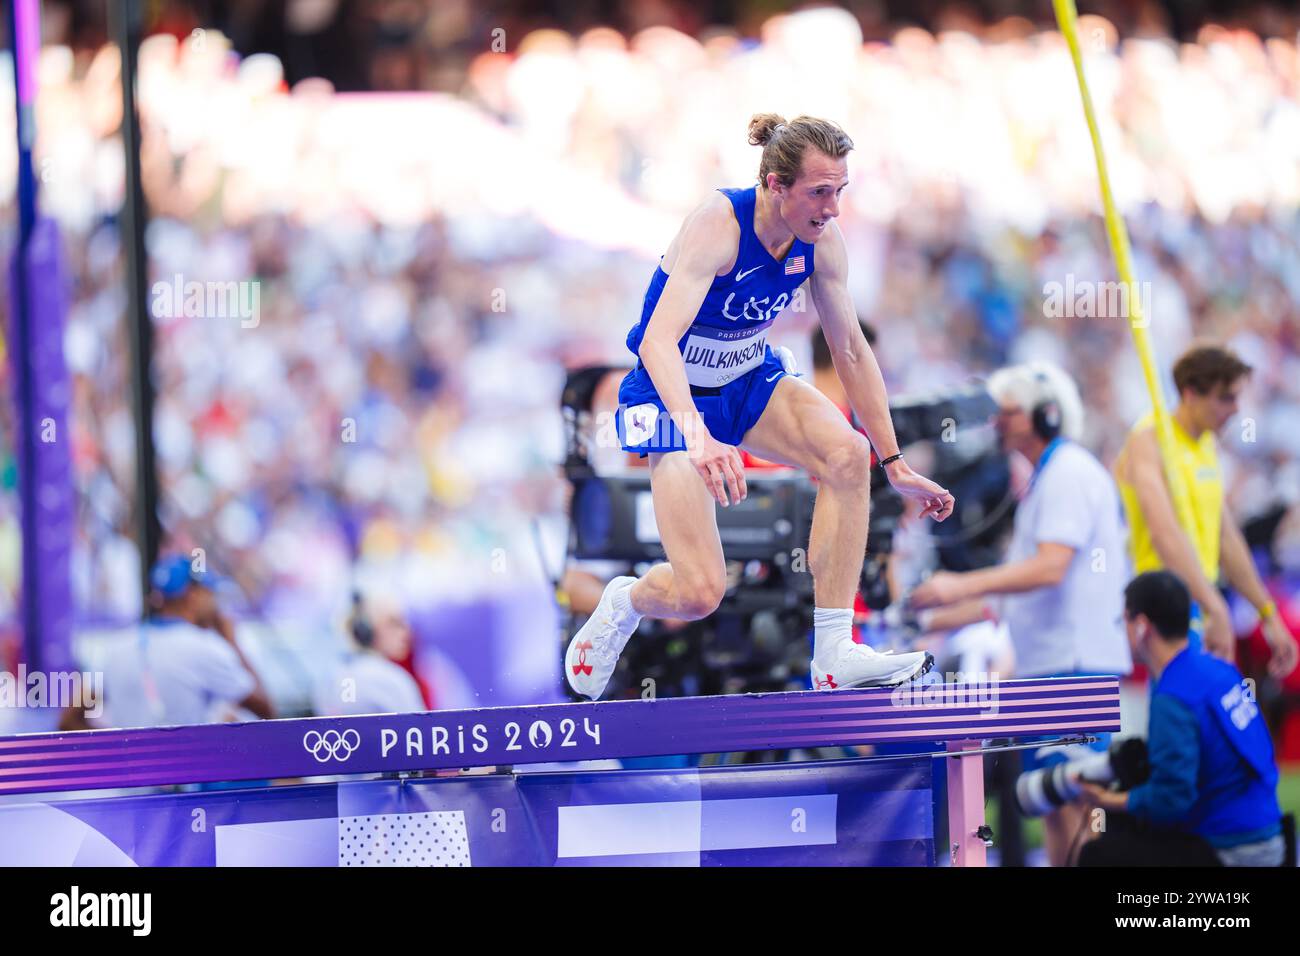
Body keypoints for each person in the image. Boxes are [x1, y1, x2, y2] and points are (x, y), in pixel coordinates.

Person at [564, 113, 955, 702]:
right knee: (699, 593)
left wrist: (893, 461)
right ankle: (625, 599)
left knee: (848, 455)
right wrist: (697, 435)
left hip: (747, 376)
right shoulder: (717, 224)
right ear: (775, 185)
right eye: (819, 192)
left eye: (840, 191)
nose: (833, 209)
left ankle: (833, 654)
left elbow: (849, 347)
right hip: (672, 393)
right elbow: (656, 342)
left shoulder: (822, 242)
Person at [909, 361, 1132, 866]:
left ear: (1044, 416)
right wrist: (926, 616)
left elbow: (1050, 568)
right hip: (1053, 666)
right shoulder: (1046, 478)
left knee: (1077, 798)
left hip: (1072, 667)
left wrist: (958, 583)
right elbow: (1006, 596)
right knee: (1054, 799)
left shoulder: (1068, 473)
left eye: (1006, 412)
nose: (997, 423)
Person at [1077, 570, 1286, 867]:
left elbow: (1170, 802)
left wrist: (1104, 800)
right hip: (1268, 832)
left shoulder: (1173, 696)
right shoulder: (1220, 670)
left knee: (1097, 855)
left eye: (1122, 620)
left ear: (1141, 626)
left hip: (1231, 848)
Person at [1113, 342, 1299, 675]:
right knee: (1181, 715)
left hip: (1201, 602)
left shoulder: (1206, 445)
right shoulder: (1149, 440)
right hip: (1163, 607)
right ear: (1190, 393)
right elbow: (1163, 533)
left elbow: (1227, 538)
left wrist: (1267, 614)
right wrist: (1215, 607)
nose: (1235, 410)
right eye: (1225, 398)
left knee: (1207, 719)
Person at [60, 555, 275, 730]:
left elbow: (68, 720)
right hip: (185, 780)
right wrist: (232, 641)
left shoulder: (116, 647)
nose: (215, 602)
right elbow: (266, 711)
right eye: (210, 593)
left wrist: (124, 753)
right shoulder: (206, 649)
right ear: (193, 596)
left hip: (129, 783)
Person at [312, 593, 426, 717]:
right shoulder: (390, 679)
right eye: (394, 622)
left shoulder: (332, 676)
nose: (406, 632)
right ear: (366, 630)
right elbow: (421, 731)